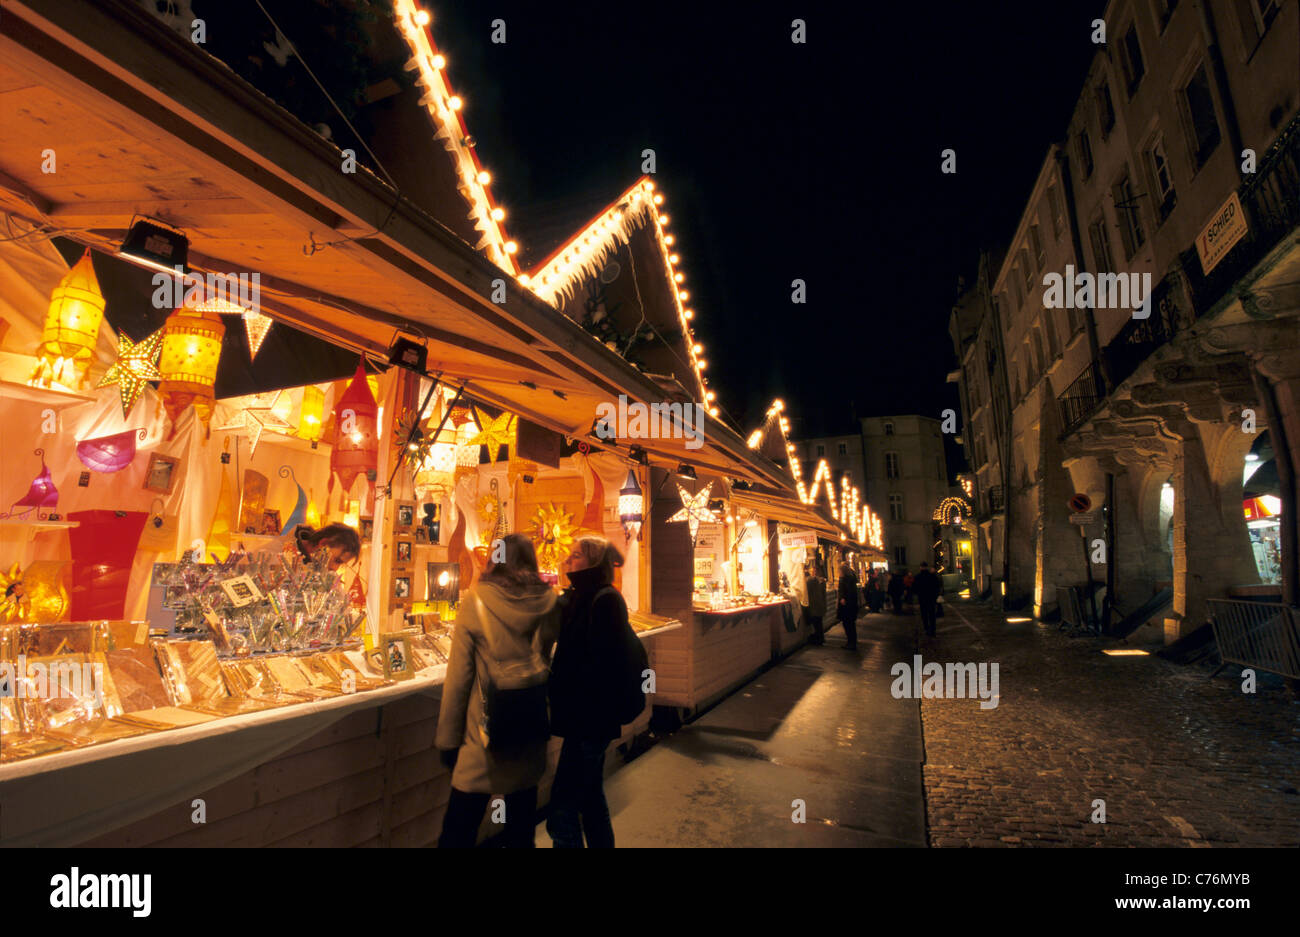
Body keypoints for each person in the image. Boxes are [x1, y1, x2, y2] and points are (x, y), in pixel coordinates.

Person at [436, 534, 559, 848]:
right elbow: (547, 659)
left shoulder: (476, 602)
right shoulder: (549, 601)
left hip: (484, 736)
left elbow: (459, 680)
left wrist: (448, 741)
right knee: (520, 832)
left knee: (458, 832)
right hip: (528, 728)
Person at [547, 535, 636, 848]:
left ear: (593, 562)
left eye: (575, 556)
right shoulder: (582, 596)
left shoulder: (604, 600)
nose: (569, 560)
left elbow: (602, 665)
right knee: (588, 798)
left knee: (564, 808)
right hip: (583, 719)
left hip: (590, 718)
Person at [290, 523, 365, 607]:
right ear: (323, 543)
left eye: (341, 564)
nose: (335, 568)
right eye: (337, 560)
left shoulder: (328, 578)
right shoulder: (280, 555)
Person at [913, 562, 943, 637]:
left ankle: (926, 629)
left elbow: (915, 588)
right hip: (931, 598)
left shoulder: (918, 577)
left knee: (924, 615)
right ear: (927, 567)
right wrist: (935, 595)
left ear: (920, 567)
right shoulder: (932, 576)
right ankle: (933, 630)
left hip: (922, 598)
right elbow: (937, 587)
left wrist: (918, 594)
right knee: (932, 615)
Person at [836, 562, 859, 650]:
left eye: (839, 571)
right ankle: (851, 642)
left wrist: (843, 598)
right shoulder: (850, 579)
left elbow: (847, 592)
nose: (839, 573)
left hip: (847, 606)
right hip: (851, 606)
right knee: (850, 625)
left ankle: (851, 643)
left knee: (848, 624)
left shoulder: (845, 580)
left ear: (843, 571)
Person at [804, 563, 826, 646]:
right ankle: (820, 638)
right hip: (819, 605)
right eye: (812, 571)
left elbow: (806, 589)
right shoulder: (821, 580)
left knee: (816, 623)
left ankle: (818, 639)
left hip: (815, 605)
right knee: (818, 623)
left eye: (814, 571)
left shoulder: (811, 580)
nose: (813, 572)